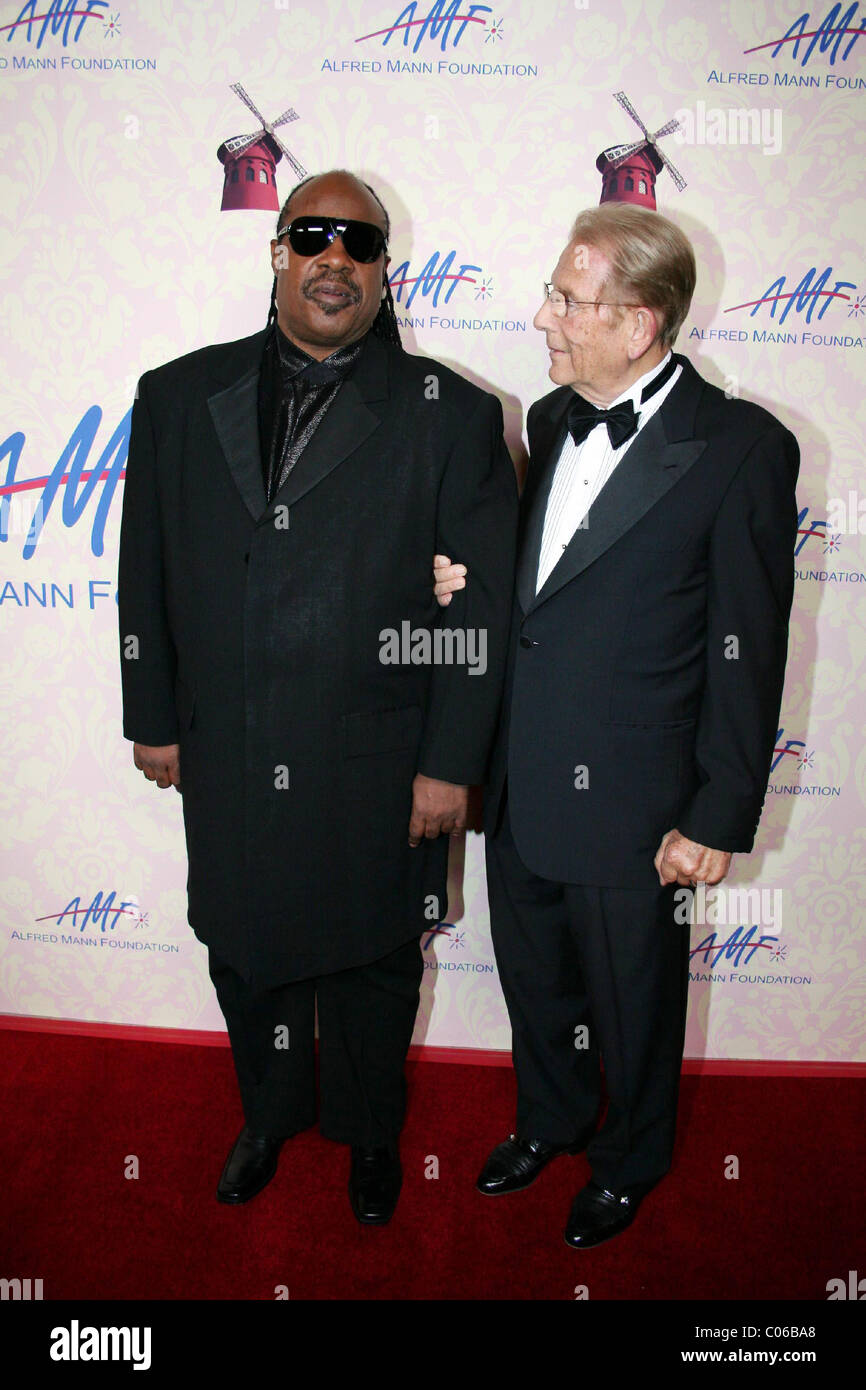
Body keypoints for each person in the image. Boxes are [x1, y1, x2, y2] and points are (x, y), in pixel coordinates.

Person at [118, 169, 517, 1224]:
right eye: (311, 236)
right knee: (244, 955)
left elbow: (474, 614)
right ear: (277, 253)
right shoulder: (173, 394)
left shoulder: (453, 415)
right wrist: (149, 710)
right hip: (230, 749)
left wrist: (448, 761)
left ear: (386, 273)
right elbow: (142, 568)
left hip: (377, 758)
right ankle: (268, 1113)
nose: (332, 258)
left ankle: (370, 1133)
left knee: (375, 969)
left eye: (359, 242)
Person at [434, 202, 799, 1248]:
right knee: (535, 982)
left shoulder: (739, 448)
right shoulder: (549, 421)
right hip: (520, 780)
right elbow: (539, 599)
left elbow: (747, 648)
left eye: (564, 298)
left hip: (640, 808)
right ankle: (548, 1118)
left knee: (634, 1007)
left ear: (636, 324)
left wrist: (717, 817)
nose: (542, 316)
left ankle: (629, 1158)